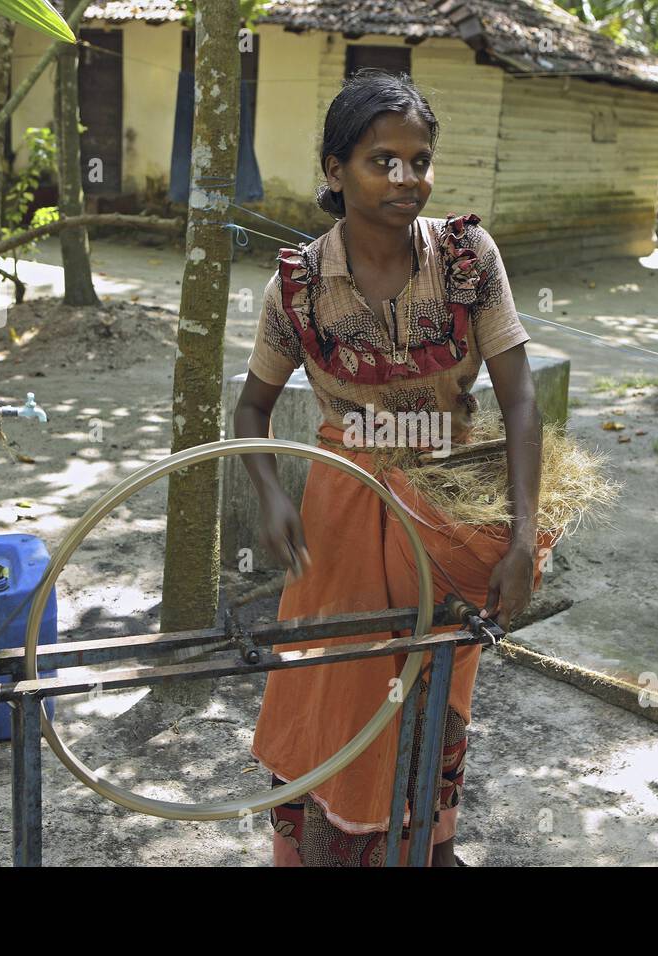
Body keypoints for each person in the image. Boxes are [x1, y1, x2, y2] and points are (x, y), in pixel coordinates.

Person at [234, 69, 550, 867]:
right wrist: (271, 491)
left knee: (434, 674)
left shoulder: (467, 258)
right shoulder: (300, 286)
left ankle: (423, 839)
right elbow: (251, 409)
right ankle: (330, 845)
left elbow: (520, 403)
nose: (408, 179)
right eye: (384, 161)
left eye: (420, 159)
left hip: (446, 500)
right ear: (336, 172)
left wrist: (519, 536)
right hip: (342, 507)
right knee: (336, 676)